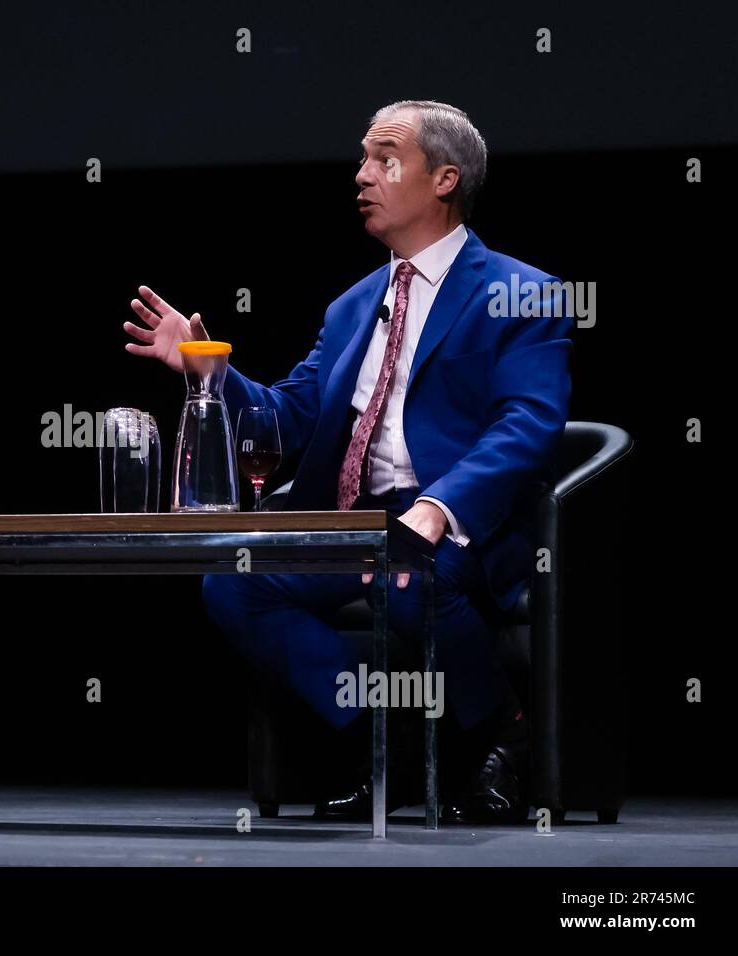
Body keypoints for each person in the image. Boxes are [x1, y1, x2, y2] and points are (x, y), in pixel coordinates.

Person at [123, 101, 573, 824]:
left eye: (385, 159)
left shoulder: (522, 292)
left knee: (404, 572)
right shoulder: (351, 308)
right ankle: (377, 742)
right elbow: (288, 419)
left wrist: (439, 506)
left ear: (444, 179)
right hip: (358, 522)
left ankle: (501, 734)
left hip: (462, 522)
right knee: (235, 586)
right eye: (362, 158)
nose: (362, 175)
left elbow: (529, 423)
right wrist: (206, 370)